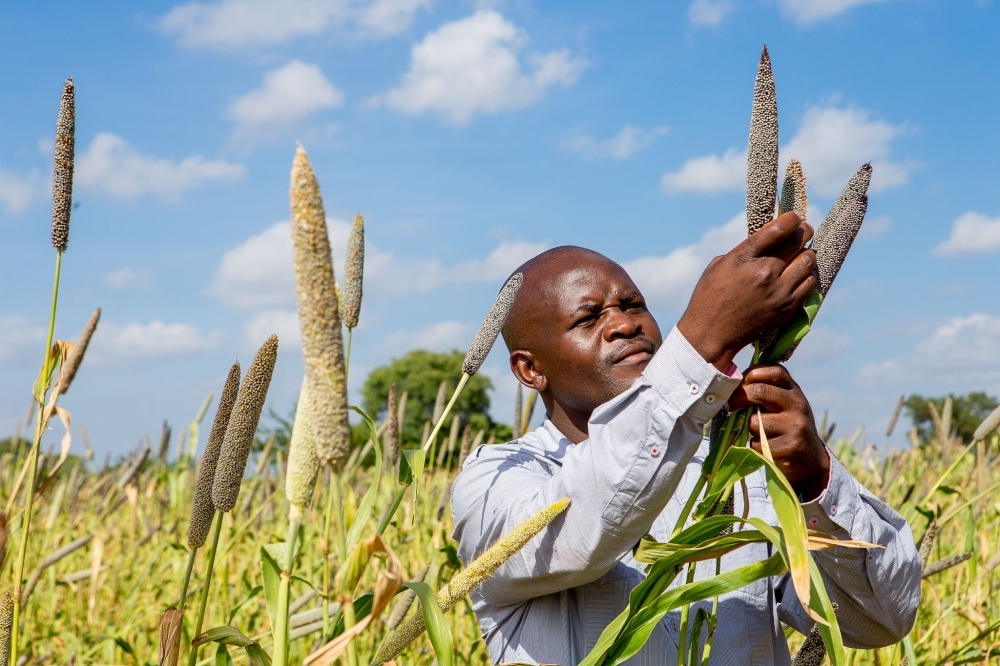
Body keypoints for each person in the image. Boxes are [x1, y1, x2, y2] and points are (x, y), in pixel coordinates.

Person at [450, 212, 921, 665]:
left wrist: (814, 480)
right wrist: (704, 340)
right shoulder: (496, 481)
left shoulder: (740, 478)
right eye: (589, 318)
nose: (624, 324)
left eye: (634, 306)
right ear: (530, 370)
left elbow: (879, 621)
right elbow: (586, 528)